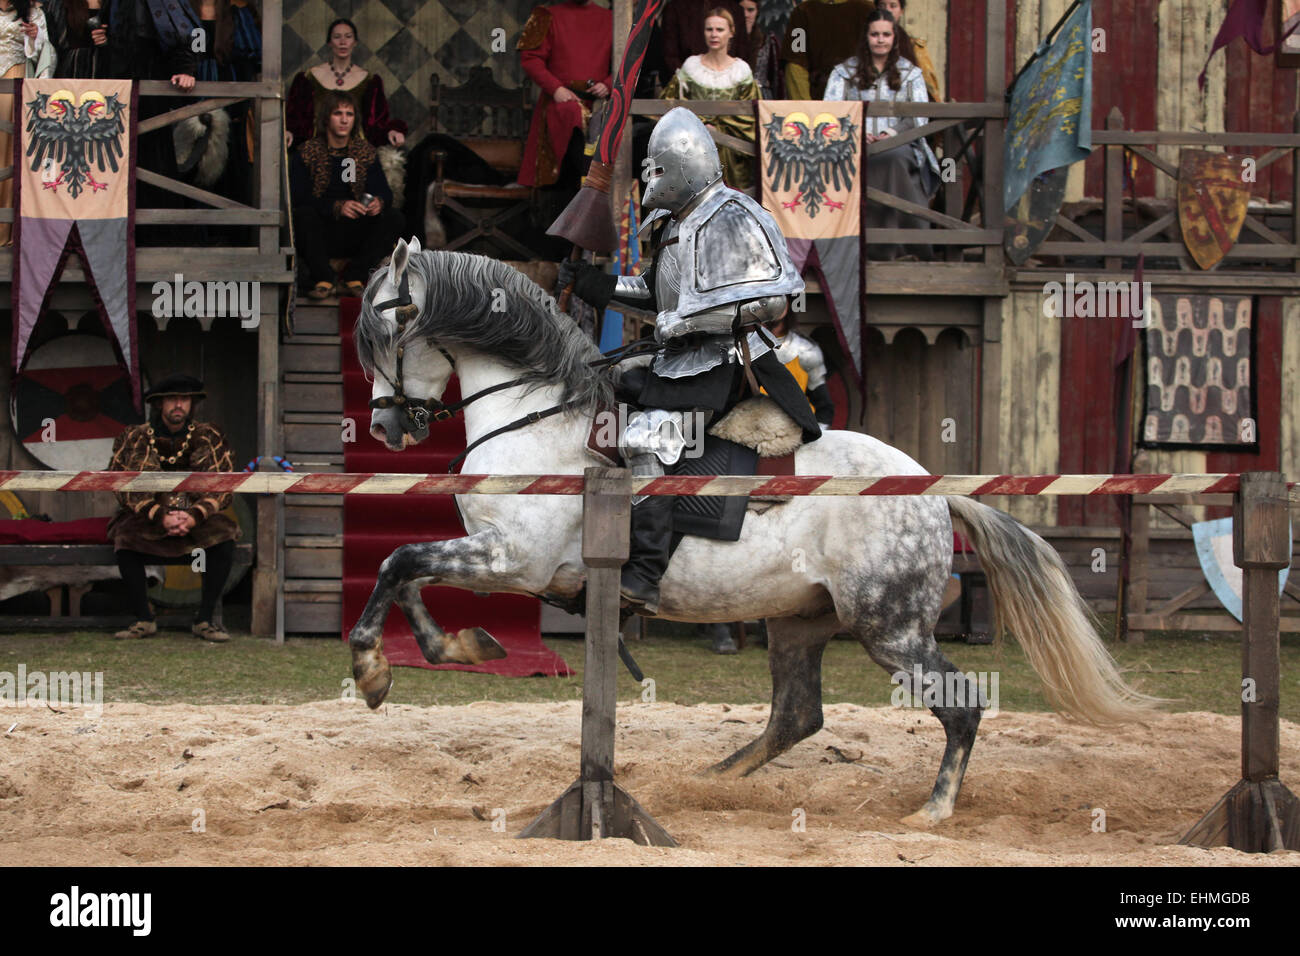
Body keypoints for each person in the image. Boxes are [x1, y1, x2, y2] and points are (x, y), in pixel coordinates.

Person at [560, 108, 821, 613]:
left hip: (727, 363)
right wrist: (594, 285)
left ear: (685, 164)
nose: (650, 181)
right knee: (602, 394)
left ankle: (642, 574)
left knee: (644, 437)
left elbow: (773, 302)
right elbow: (660, 295)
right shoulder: (674, 224)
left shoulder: (734, 215)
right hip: (676, 362)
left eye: (656, 170)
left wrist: (689, 325)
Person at [106, 375, 239, 643]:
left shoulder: (208, 435)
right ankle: (144, 618)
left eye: (184, 399)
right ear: (159, 404)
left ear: (192, 404)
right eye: (172, 399)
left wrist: (193, 516)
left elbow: (221, 481)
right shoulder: (136, 436)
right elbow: (123, 484)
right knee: (124, 537)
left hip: (195, 516)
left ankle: (204, 619)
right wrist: (159, 515)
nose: (178, 405)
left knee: (225, 536)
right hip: (147, 514)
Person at [825, 8, 938, 260]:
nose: (880, 39)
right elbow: (830, 113)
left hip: (900, 145)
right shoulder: (844, 73)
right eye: (875, 34)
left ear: (894, 38)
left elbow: (919, 116)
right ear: (866, 37)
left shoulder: (911, 73)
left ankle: (904, 246)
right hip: (852, 143)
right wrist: (856, 131)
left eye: (886, 34)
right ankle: (852, 249)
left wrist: (892, 133)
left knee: (894, 158)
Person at [290, 92, 403, 299]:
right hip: (321, 231)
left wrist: (379, 202)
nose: (344, 120)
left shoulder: (364, 152)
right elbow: (298, 197)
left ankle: (354, 276)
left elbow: (385, 193)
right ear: (327, 118)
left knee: (393, 217)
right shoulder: (307, 152)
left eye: (349, 114)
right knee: (303, 215)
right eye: (338, 113)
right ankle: (324, 278)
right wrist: (336, 206)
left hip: (354, 230)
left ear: (354, 119)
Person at [516, 0, 611, 189]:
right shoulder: (545, 15)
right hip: (559, 107)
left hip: (599, 106)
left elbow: (625, 61)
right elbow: (530, 58)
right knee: (561, 179)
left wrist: (607, 84)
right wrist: (556, 88)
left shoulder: (611, 19)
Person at [661, 8, 756, 191]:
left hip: (733, 153)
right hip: (694, 150)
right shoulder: (691, 67)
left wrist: (719, 130)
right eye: (709, 29)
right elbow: (671, 105)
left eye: (719, 30)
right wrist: (701, 126)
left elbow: (749, 118)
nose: (714, 35)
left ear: (731, 32)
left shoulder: (741, 71)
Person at [285, 18, 406, 150]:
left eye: (348, 37)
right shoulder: (308, 78)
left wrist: (392, 131)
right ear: (330, 42)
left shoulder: (370, 81)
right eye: (337, 37)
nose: (343, 42)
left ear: (355, 42)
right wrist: (290, 132)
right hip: (317, 149)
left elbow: (377, 122)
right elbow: (296, 117)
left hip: (356, 151)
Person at [0, 0, 52, 245]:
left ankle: (6, 228)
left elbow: (43, 50)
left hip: (14, 77)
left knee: (10, 151)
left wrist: (34, 36)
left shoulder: (32, 11)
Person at [782, 0, 873, 100]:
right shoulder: (802, 13)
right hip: (815, 96)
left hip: (857, 96)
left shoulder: (867, 11)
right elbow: (795, 63)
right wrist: (806, 106)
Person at [875, 0, 941, 102]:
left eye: (893, 6)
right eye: (882, 5)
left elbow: (928, 89)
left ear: (901, 10)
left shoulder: (913, 47)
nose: (887, 10)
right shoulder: (865, 43)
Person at [660, 0, 746, 75]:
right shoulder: (675, 7)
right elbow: (669, 54)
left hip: (729, 81)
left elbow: (742, 52)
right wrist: (688, 80)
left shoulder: (735, 9)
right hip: (686, 83)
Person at [45, 0, 109, 77]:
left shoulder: (113, 4)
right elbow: (52, 40)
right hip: (70, 71)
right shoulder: (59, 4)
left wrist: (108, 39)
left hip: (106, 68)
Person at [738, 0, 782, 98]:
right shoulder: (728, 40)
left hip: (761, 98)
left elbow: (776, 79)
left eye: (750, 10)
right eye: (741, 10)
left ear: (757, 12)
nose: (745, 15)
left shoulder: (767, 40)